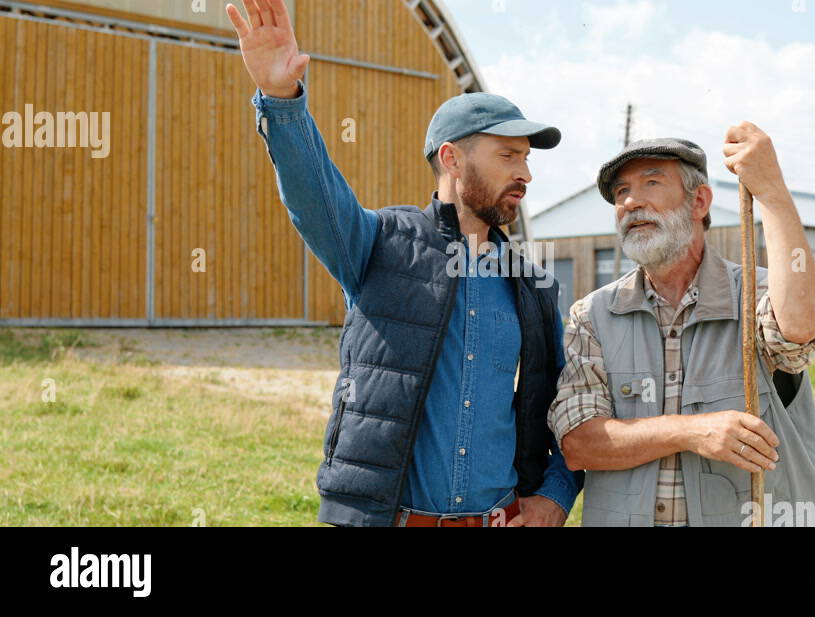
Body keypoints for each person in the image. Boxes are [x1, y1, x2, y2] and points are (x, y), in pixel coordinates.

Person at [225, 0, 581, 527]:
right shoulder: (380, 244)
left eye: (527, 158)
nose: (525, 172)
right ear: (452, 159)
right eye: (508, 155)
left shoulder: (533, 284)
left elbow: (564, 400)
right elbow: (313, 195)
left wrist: (554, 494)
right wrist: (282, 100)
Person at [547, 129, 815, 526]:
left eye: (651, 182)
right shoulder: (592, 315)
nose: (630, 201)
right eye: (621, 192)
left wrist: (771, 191)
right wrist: (691, 431)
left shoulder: (757, 294)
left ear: (699, 201)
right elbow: (580, 445)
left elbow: (799, 331)